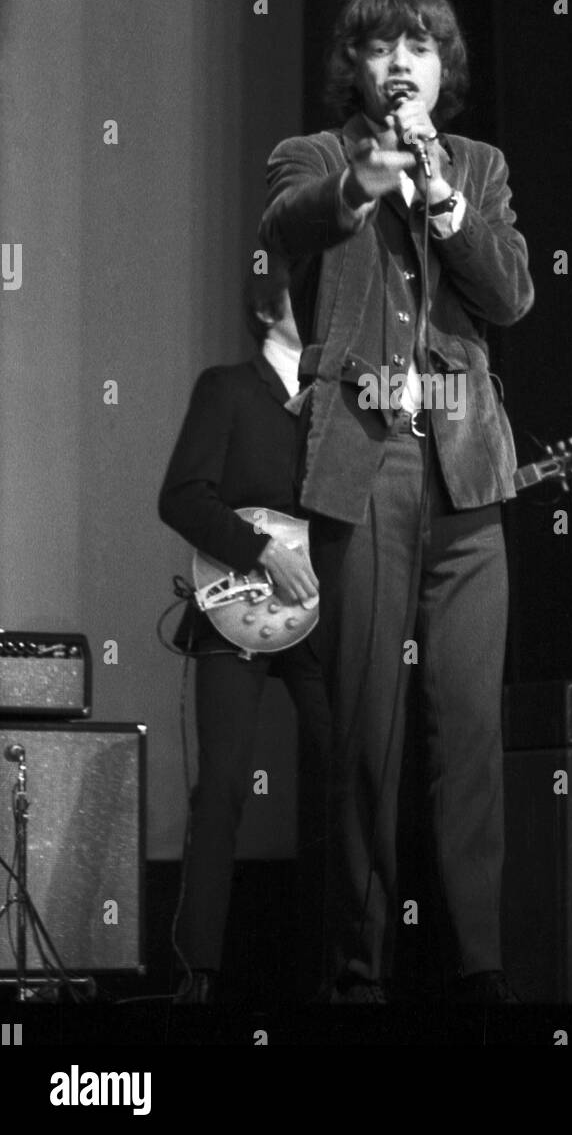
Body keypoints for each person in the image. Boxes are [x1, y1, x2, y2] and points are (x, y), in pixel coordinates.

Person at [260, 0, 534, 1002]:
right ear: (359, 69)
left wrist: (445, 200)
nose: (403, 60)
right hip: (365, 470)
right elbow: (290, 227)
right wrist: (365, 181)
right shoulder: (321, 156)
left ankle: (480, 972)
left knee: (467, 733)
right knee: (365, 737)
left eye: (422, 44)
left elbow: (507, 294)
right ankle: (356, 978)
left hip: (466, 476)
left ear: (442, 68)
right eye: (383, 47)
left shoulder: (479, 167)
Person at [158, 262, 330, 1003]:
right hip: (237, 609)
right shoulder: (225, 389)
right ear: (268, 311)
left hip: (322, 613)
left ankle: (346, 971)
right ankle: (199, 973)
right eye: (307, 296)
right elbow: (181, 497)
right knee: (223, 784)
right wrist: (262, 553)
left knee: (348, 776)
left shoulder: (338, 404)